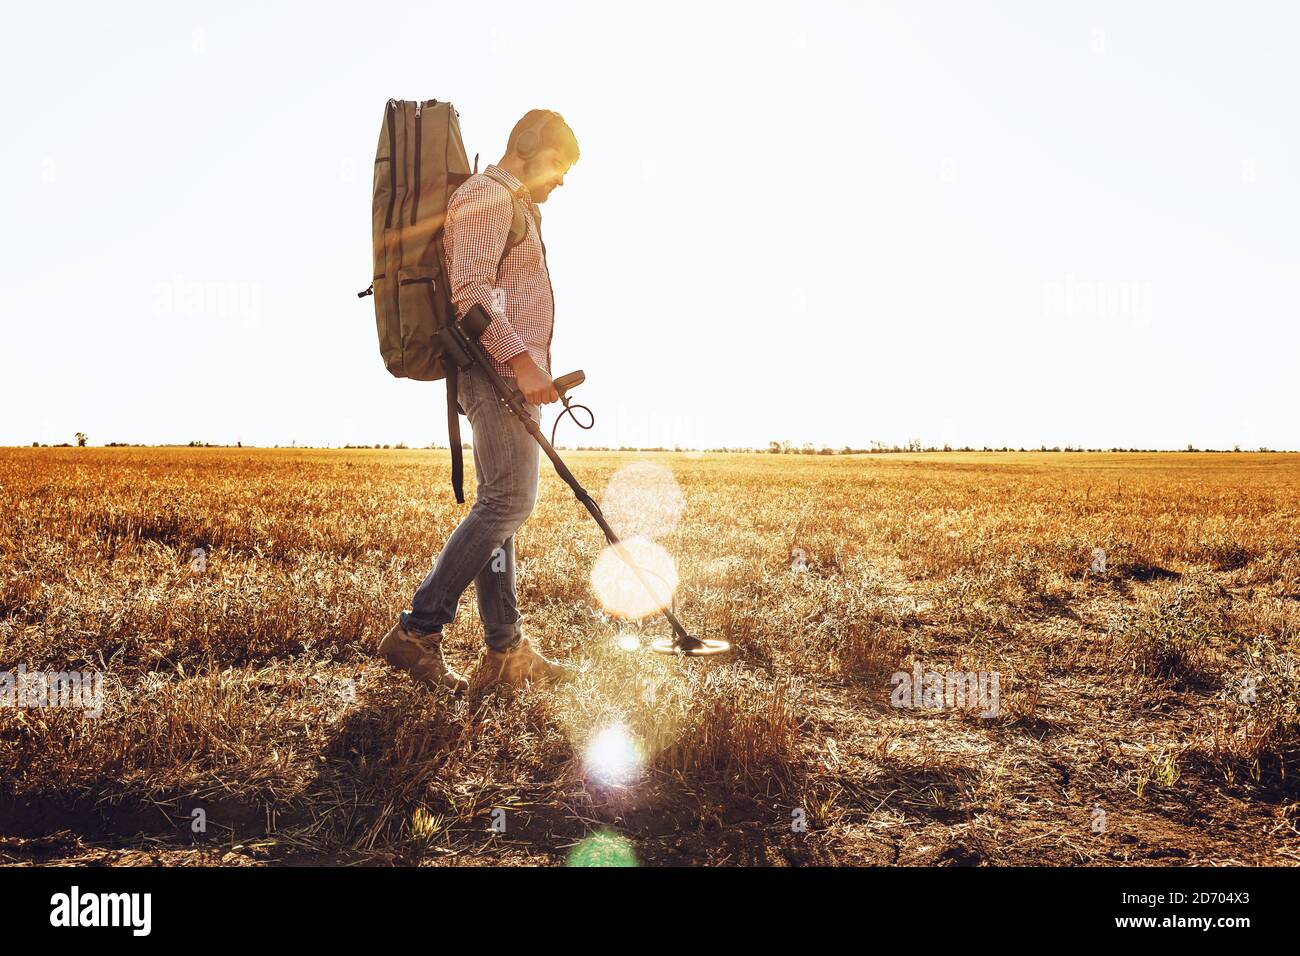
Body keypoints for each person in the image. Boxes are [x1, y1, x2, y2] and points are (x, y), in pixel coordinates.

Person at [379, 110, 580, 696]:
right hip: (494, 374)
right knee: (510, 499)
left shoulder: (514, 205)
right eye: (557, 165)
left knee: (504, 509)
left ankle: (505, 650)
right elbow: (471, 291)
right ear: (525, 147)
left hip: (513, 377)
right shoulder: (486, 198)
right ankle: (418, 632)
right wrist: (519, 361)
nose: (562, 180)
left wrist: (531, 368)